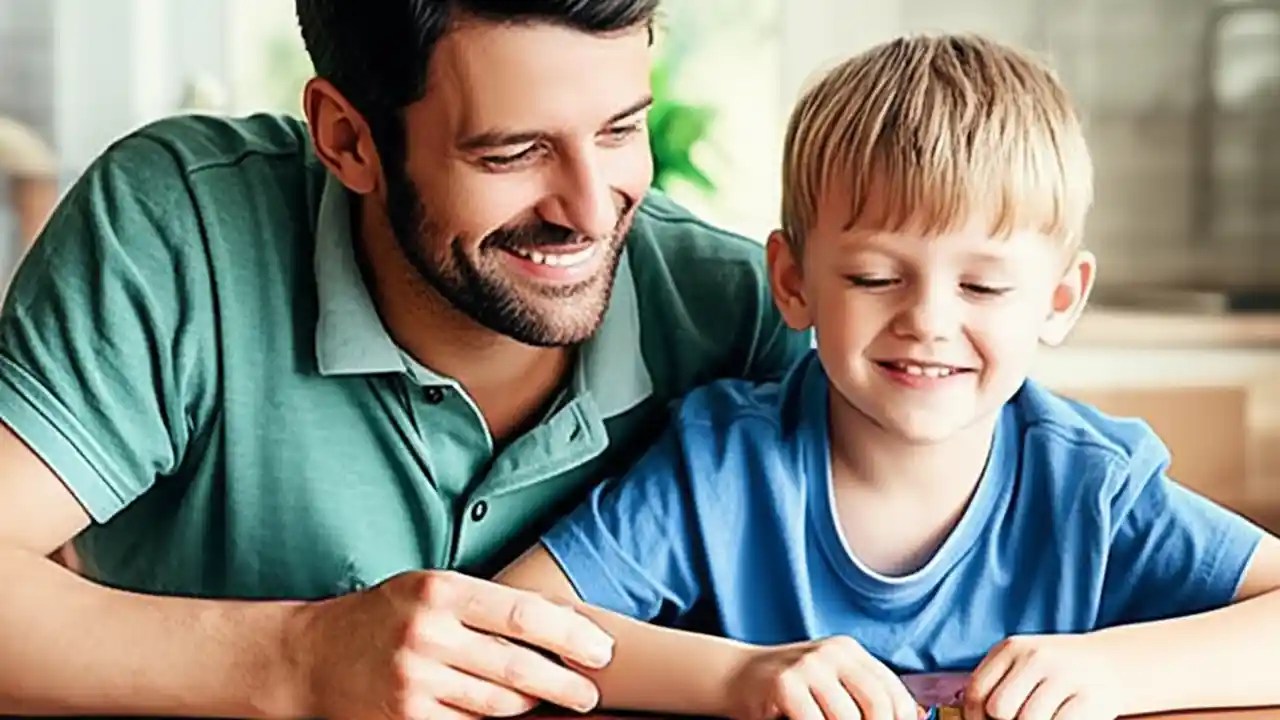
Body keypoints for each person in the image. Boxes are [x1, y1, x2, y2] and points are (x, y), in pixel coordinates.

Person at [0, 2, 810, 718]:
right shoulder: (179, 228)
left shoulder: (741, 315)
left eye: (620, 129)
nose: (592, 211)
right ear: (348, 139)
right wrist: (301, 658)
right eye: (513, 152)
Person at [496, 33, 1280, 720]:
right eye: (875, 278)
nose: (929, 320)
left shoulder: (1090, 487)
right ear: (794, 282)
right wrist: (738, 677)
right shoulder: (722, 466)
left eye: (982, 287)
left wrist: (1118, 671)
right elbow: (517, 620)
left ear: (1059, 299)